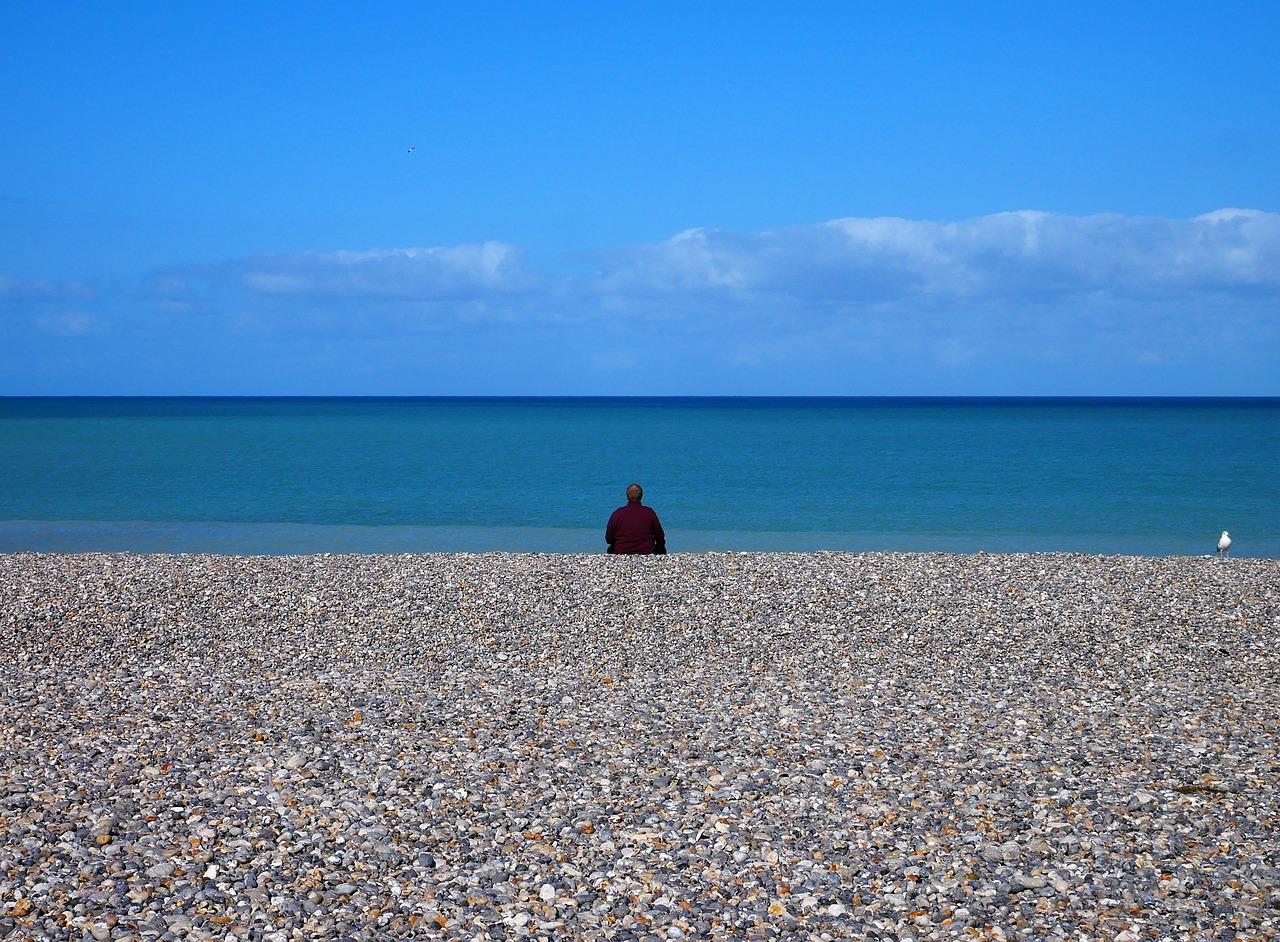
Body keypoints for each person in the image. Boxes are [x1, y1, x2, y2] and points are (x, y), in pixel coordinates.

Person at [605, 482, 667, 555]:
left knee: (610, 549)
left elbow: (609, 539)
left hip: (622, 551)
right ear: (642, 496)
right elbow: (659, 535)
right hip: (647, 551)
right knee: (661, 549)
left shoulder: (618, 513)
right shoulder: (649, 512)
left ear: (627, 497)